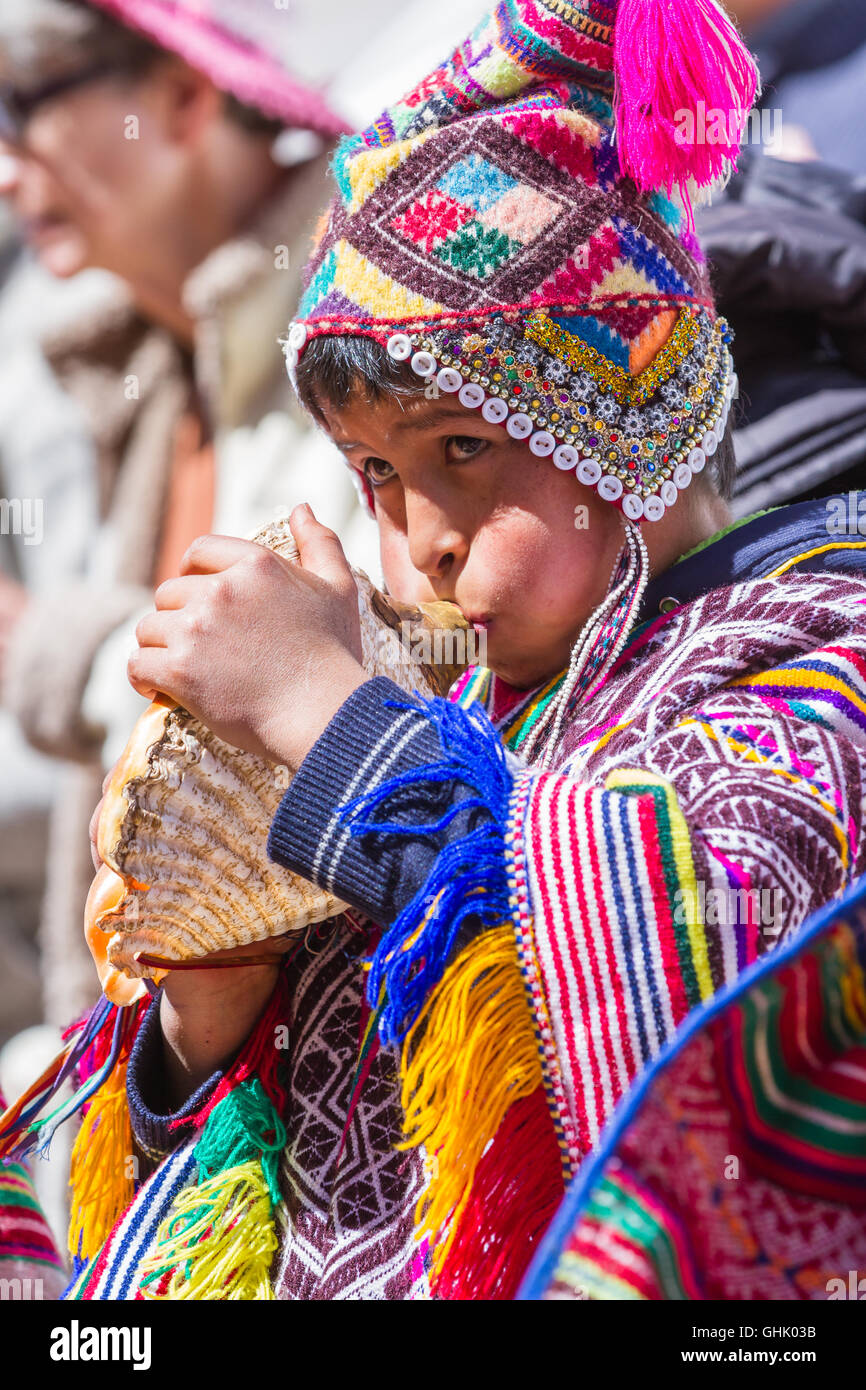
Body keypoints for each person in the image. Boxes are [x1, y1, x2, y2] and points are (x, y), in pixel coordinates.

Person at [12, 0, 866, 1301]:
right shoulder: (460, 707)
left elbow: (695, 982)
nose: (420, 546)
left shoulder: (808, 648)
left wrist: (322, 705)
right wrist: (218, 1001)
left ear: (628, 416)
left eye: (461, 451)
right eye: (373, 475)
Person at [0, 0, 378, 1033]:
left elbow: (339, 702)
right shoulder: (138, 368)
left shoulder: (366, 317)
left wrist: (49, 646)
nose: (4, 168)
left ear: (177, 98)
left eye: (21, 103)